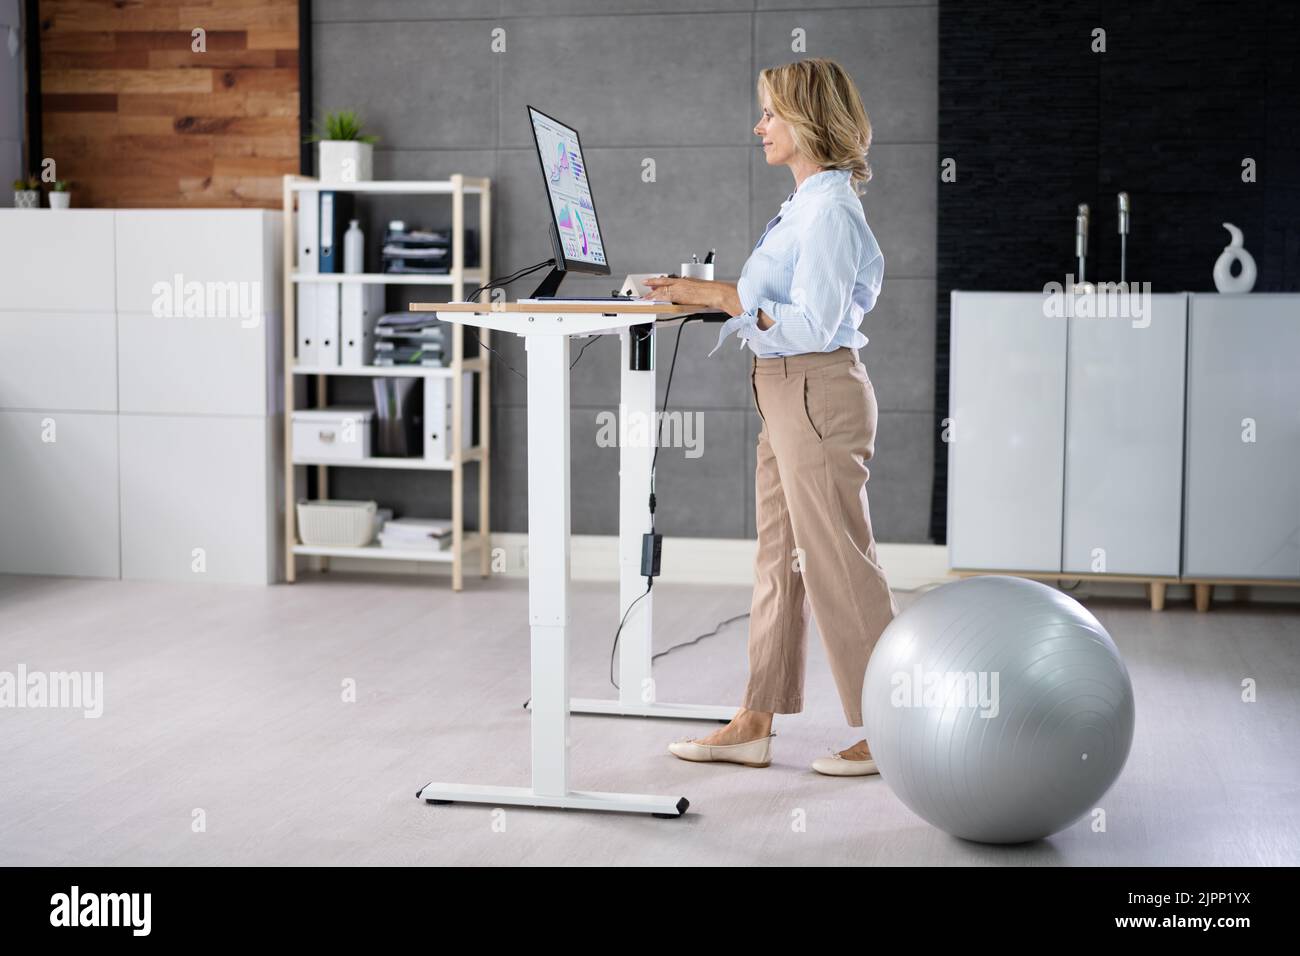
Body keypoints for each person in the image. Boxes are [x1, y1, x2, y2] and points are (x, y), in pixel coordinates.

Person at [643, 57, 899, 777]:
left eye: (770, 113)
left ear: (808, 119)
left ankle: (892, 728)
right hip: (783, 389)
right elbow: (777, 306)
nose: (759, 126)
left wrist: (722, 297)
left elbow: (815, 323)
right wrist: (714, 293)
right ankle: (755, 719)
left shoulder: (831, 208)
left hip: (815, 388)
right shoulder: (805, 202)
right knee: (778, 561)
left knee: (838, 564)